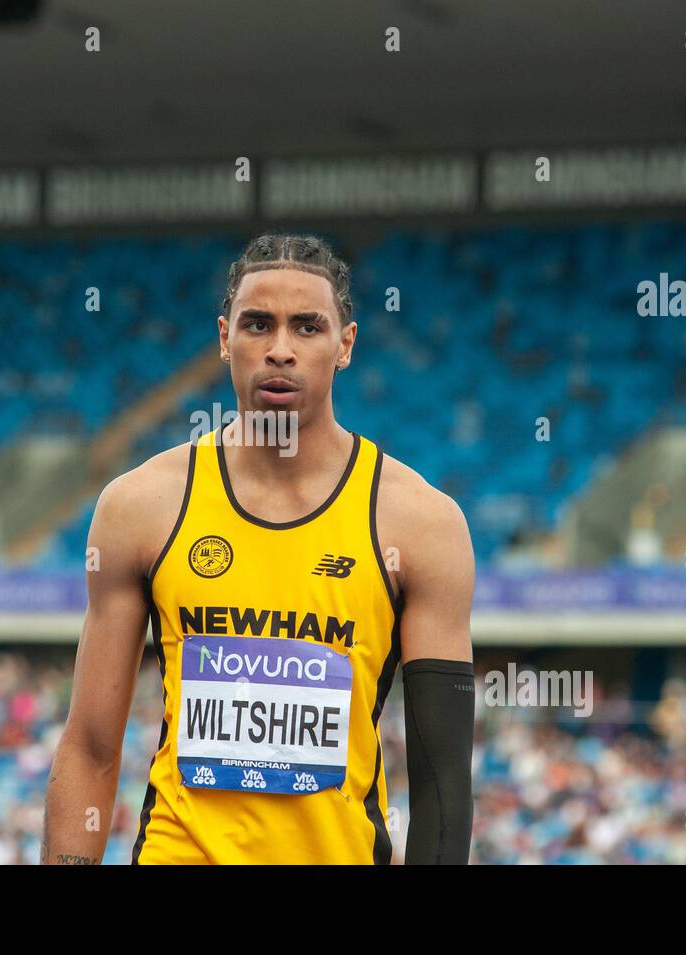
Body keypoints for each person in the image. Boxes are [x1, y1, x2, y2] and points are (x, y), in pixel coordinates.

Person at [43, 234, 476, 864]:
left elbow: (443, 786)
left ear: (345, 345)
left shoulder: (418, 524)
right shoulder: (140, 507)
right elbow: (89, 746)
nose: (280, 350)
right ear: (224, 339)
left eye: (307, 327)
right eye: (257, 325)